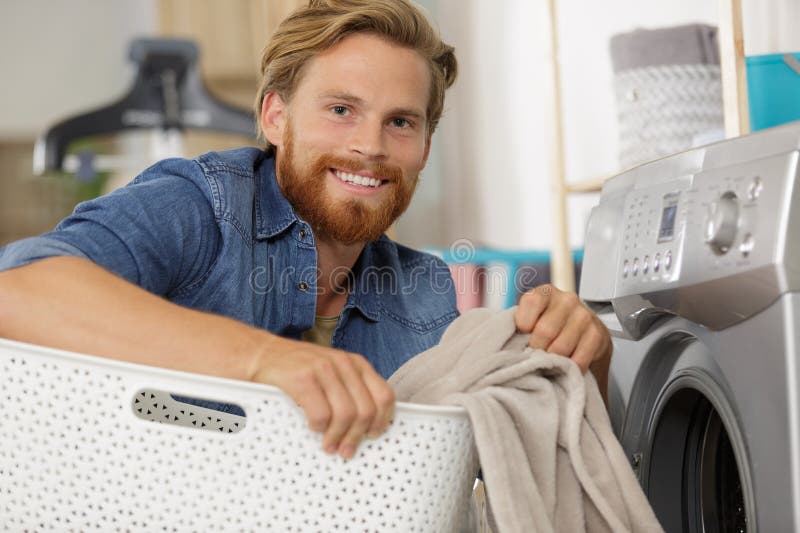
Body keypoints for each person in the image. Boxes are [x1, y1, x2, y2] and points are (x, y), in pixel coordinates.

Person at [0, 0, 611, 460]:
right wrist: (265, 360)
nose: (370, 147)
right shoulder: (199, 206)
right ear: (275, 117)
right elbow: (17, 292)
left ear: (425, 147)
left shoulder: (427, 295)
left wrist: (586, 359)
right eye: (341, 109)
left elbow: (525, 460)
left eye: (401, 121)